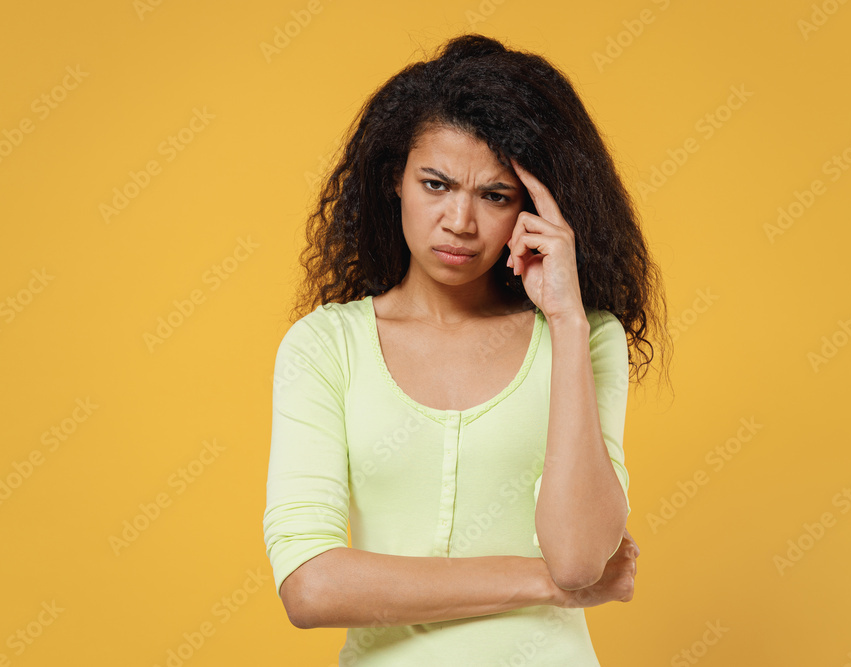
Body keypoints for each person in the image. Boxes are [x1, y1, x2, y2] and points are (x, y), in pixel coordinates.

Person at [264, 33, 672, 666]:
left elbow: (578, 555)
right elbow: (310, 587)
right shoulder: (327, 346)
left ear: (536, 209)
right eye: (436, 185)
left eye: (495, 196)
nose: (460, 221)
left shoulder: (586, 337)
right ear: (393, 181)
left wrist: (563, 318)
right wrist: (545, 584)